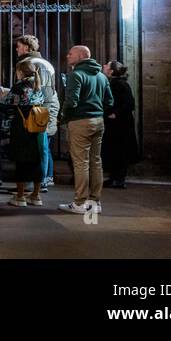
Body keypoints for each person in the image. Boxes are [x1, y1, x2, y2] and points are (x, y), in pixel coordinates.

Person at [59, 44, 113, 215]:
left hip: (80, 121)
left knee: (81, 163)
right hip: (98, 121)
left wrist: (63, 118)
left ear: (82, 56)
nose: (67, 56)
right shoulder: (101, 76)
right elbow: (109, 101)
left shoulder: (76, 75)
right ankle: (94, 201)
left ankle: (80, 202)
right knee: (96, 161)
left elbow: (71, 101)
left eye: (70, 53)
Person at [15, 34, 59, 190]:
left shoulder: (31, 62)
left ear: (26, 47)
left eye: (18, 46)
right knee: (44, 144)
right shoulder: (41, 62)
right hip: (46, 105)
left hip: (41, 108)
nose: (16, 49)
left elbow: (43, 90)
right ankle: (45, 177)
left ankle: (40, 182)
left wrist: (37, 109)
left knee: (41, 146)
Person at [4, 63, 45, 207]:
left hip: (22, 127)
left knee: (21, 160)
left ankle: (20, 196)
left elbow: (9, 104)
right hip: (37, 128)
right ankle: (36, 195)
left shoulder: (19, 87)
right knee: (36, 160)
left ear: (20, 72)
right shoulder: (38, 85)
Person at [102, 61, 138, 188]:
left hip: (121, 124)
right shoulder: (114, 83)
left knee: (120, 151)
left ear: (111, 71)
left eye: (107, 65)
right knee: (114, 150)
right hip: (116, 123)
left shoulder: (120, 84)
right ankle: (114, 177)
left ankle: (119, 179)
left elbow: (129, 104)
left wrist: (115, 114)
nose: (104, 66)